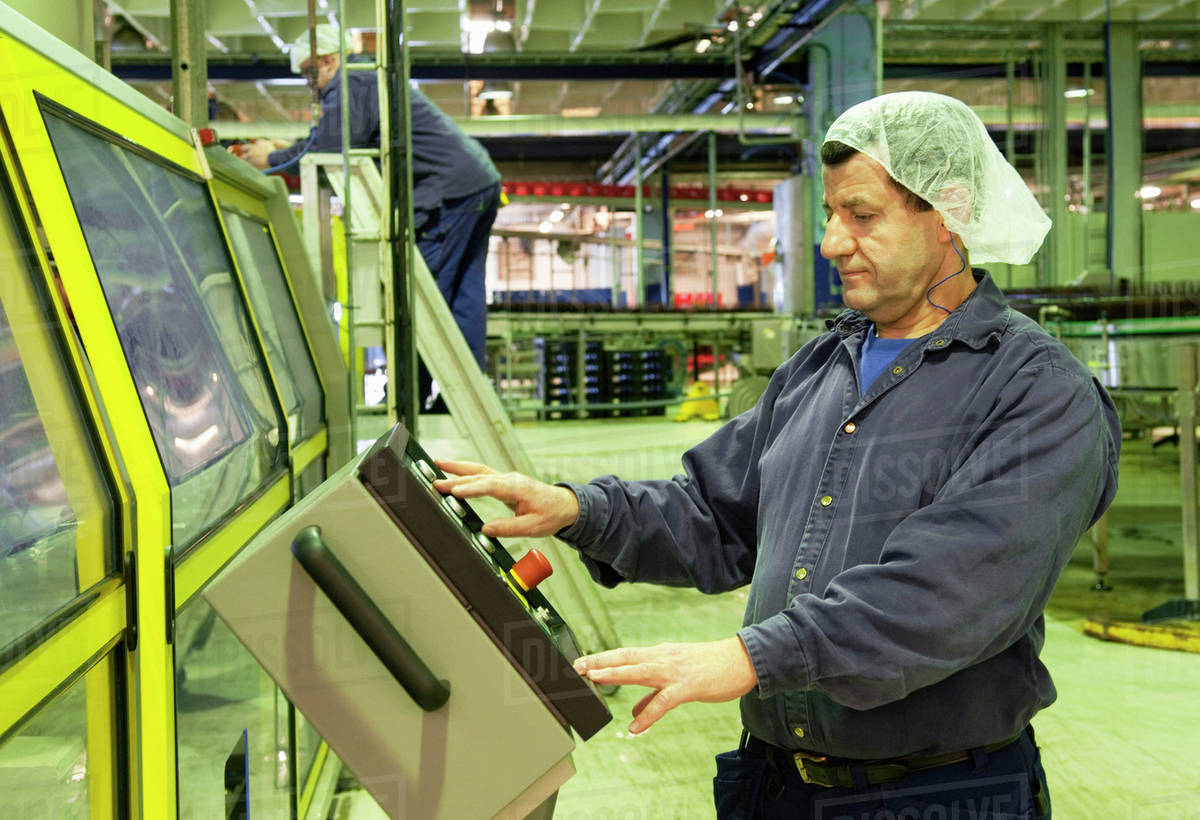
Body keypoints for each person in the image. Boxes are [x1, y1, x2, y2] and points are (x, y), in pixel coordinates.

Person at [433, 91, 1120, 819]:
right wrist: (576, 508)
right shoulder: (821, 366)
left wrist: (754, 656)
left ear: (948, 211)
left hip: (935, 793)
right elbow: (715, 515)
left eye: (861, 216)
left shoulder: (1036, 392)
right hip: (777, 786)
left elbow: (948, 592)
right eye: (831, 215)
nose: (829, 242)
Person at [240, 24, 502, 379]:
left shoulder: (351, 83)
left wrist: (272, 159)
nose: (307, 83)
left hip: (450, 193)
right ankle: (465, 389)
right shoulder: (363, 80)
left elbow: (329, 147)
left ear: (328, 61)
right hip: (475, 182)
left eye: (308, 72)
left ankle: (420, 396)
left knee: (423, 301)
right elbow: (334, 136)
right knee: (463, 295)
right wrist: (282, 151)